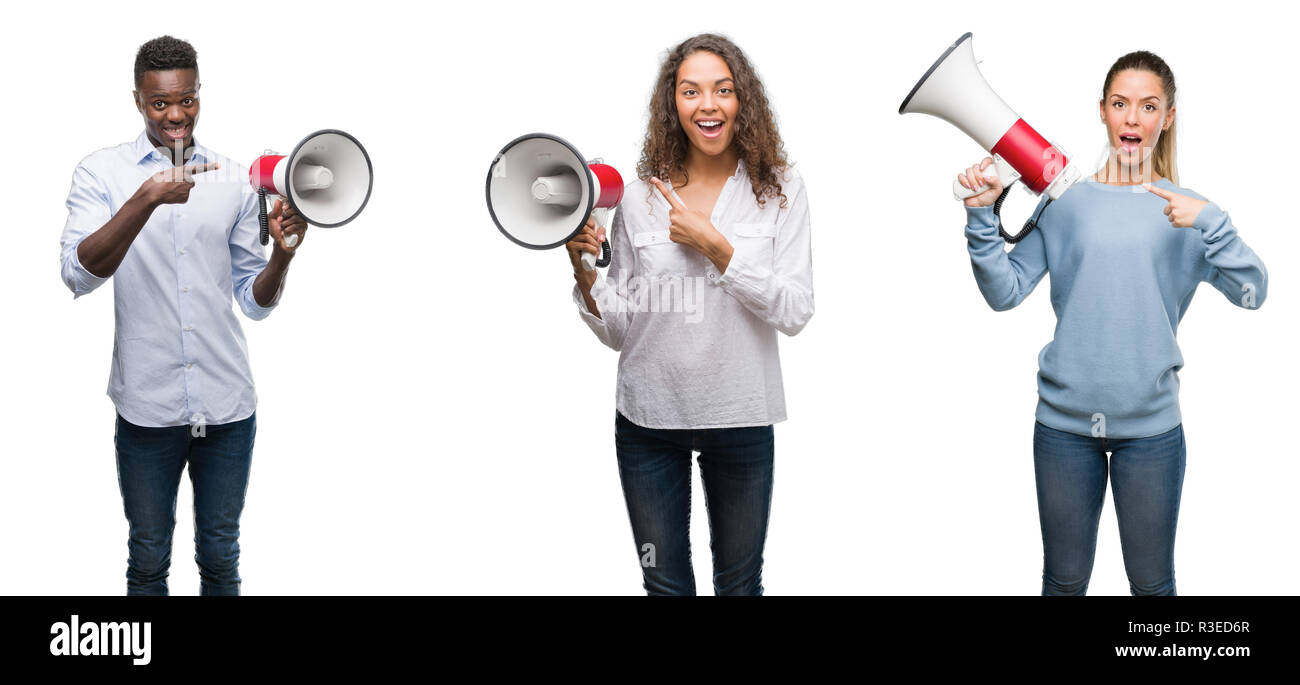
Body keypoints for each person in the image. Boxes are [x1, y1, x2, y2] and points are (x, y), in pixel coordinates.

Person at [957, 51, 1267, 596]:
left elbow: (1253, 292)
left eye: (1148, 107)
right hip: (1062, 429)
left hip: (1152, 434)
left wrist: (1215, 224)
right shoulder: (1063, 200)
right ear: (1102, 111)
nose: (1132, 118)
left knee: (1152, 587)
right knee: (1064, 582)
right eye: (1120, 104)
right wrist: (982, 216)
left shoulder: (1188, 210)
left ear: (1167, 117)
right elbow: (1004, 294)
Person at [59, 36, 307, 595]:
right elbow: (78, 273)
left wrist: (283, 258)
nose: (176, 116)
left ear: (198, 94)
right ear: (138, 99)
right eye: (160, 103)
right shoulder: (101, 174)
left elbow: (253, 300)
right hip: (148, 406)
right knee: (148, 559)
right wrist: (145, 199)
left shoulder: (234, 178)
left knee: (221, 556)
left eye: (187, 100)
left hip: (227, 406)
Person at [566, 33, 813, 595]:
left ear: (741, 100)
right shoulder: (637, 198)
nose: (708, 105)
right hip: (649, 422)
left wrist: (717, 247)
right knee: (665, 585)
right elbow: (621, 329)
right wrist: (584, 273)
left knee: (740, 585)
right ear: (672, 105)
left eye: (723, 90)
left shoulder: (780, 190)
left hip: (741, 415)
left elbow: (796, 310)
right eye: (691, 91)